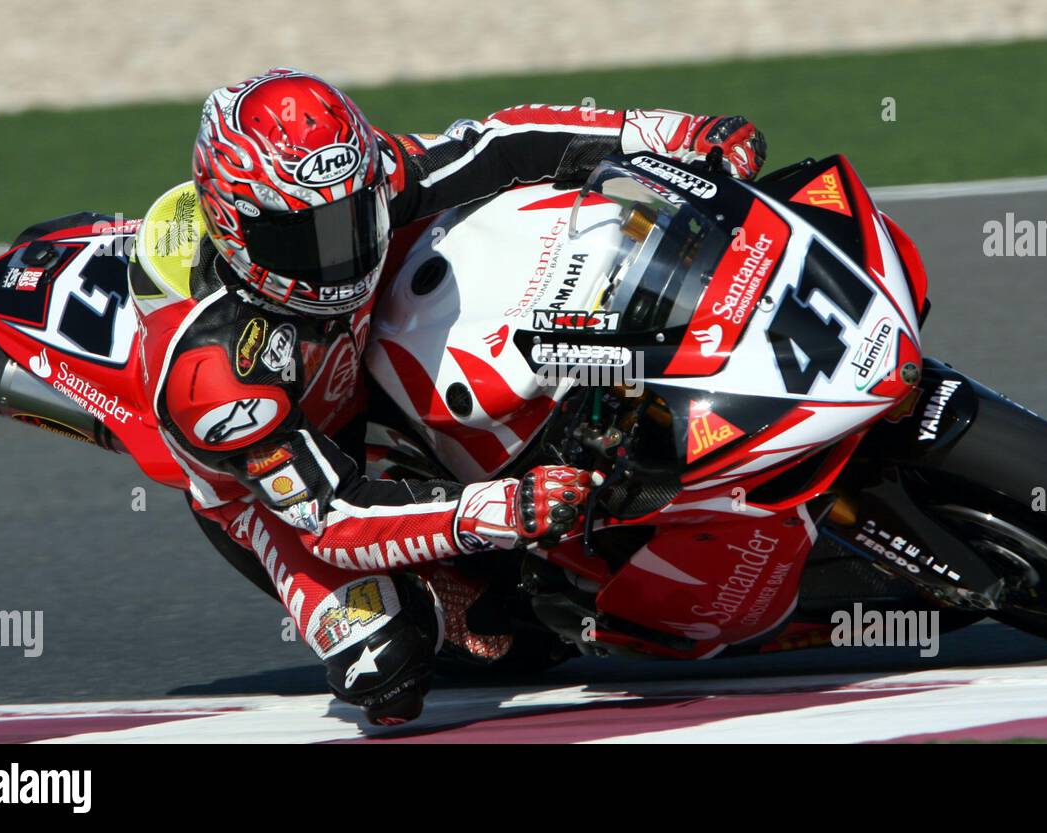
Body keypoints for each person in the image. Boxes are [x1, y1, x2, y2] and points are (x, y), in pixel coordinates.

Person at [136, 67, 767, 725]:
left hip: (364, 371)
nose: (341, 255)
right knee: (388, 668)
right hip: (281, 493)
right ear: (237, 229)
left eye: (353, 220)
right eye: (305, 240)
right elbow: (333, 516)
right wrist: (501, 509)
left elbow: (498, 145)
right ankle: (456, 585)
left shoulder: (361, 174)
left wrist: (671, 135)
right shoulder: (215, 378)